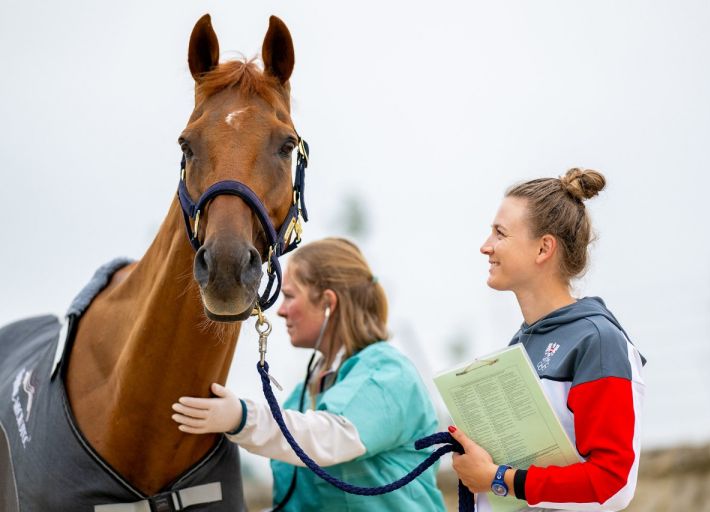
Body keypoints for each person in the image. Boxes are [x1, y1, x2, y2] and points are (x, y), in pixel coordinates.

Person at [171, 237, 446, 512]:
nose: (280, 310)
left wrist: (243, 418)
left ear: (328, 302)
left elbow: (331, 437)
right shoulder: (302, 397)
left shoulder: (388, 375)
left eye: (290, 296)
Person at [449, 169, 646, 511]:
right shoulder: (518, 345)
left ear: (543, 248)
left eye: (501, 233)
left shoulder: (597, 341)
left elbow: (613, 485)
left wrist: (499, 478)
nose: (486, 246)